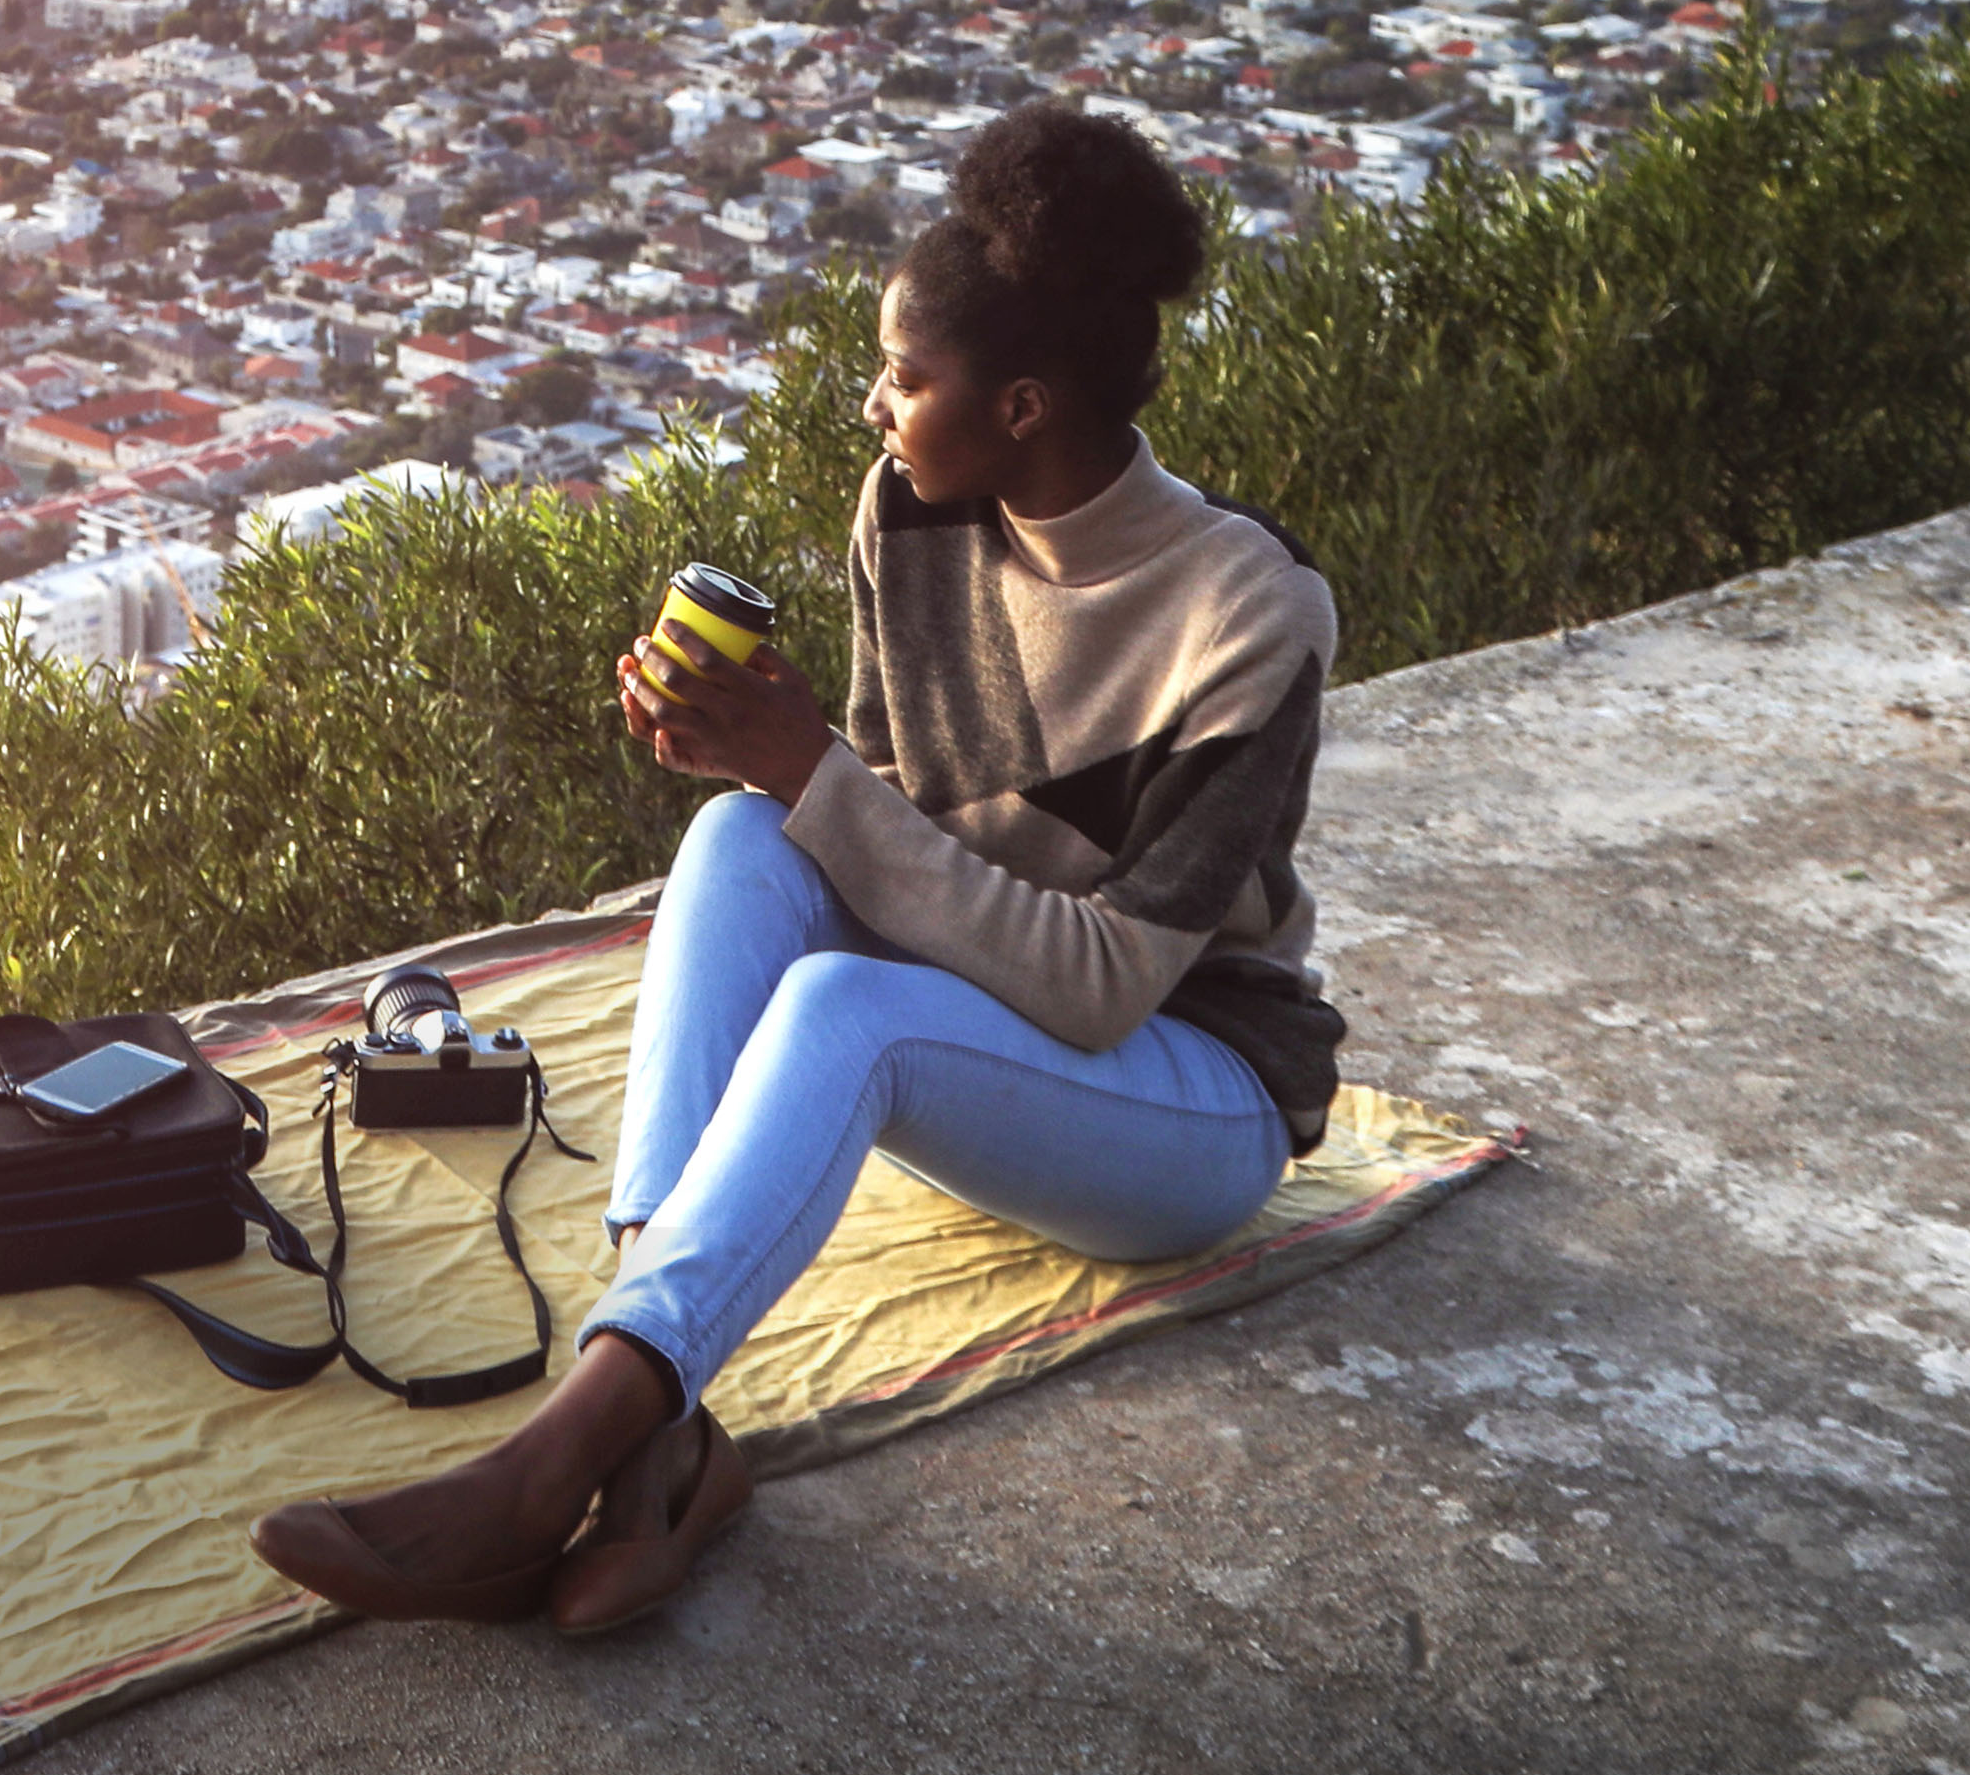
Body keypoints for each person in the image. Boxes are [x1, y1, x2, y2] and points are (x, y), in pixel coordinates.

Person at [251, 101, 1344, 1633]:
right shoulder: (916, 510)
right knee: (739, 838)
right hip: (989, 1025)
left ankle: (550, 1462)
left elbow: (1100, 988)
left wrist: (809, 766)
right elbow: (899, 812)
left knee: (845, 1002)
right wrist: (758, 761)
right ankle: (654, 1449)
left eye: (905, 377)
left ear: (1024, 404)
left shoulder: (1247, 611)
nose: (874, 408)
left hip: (1187, 1095)